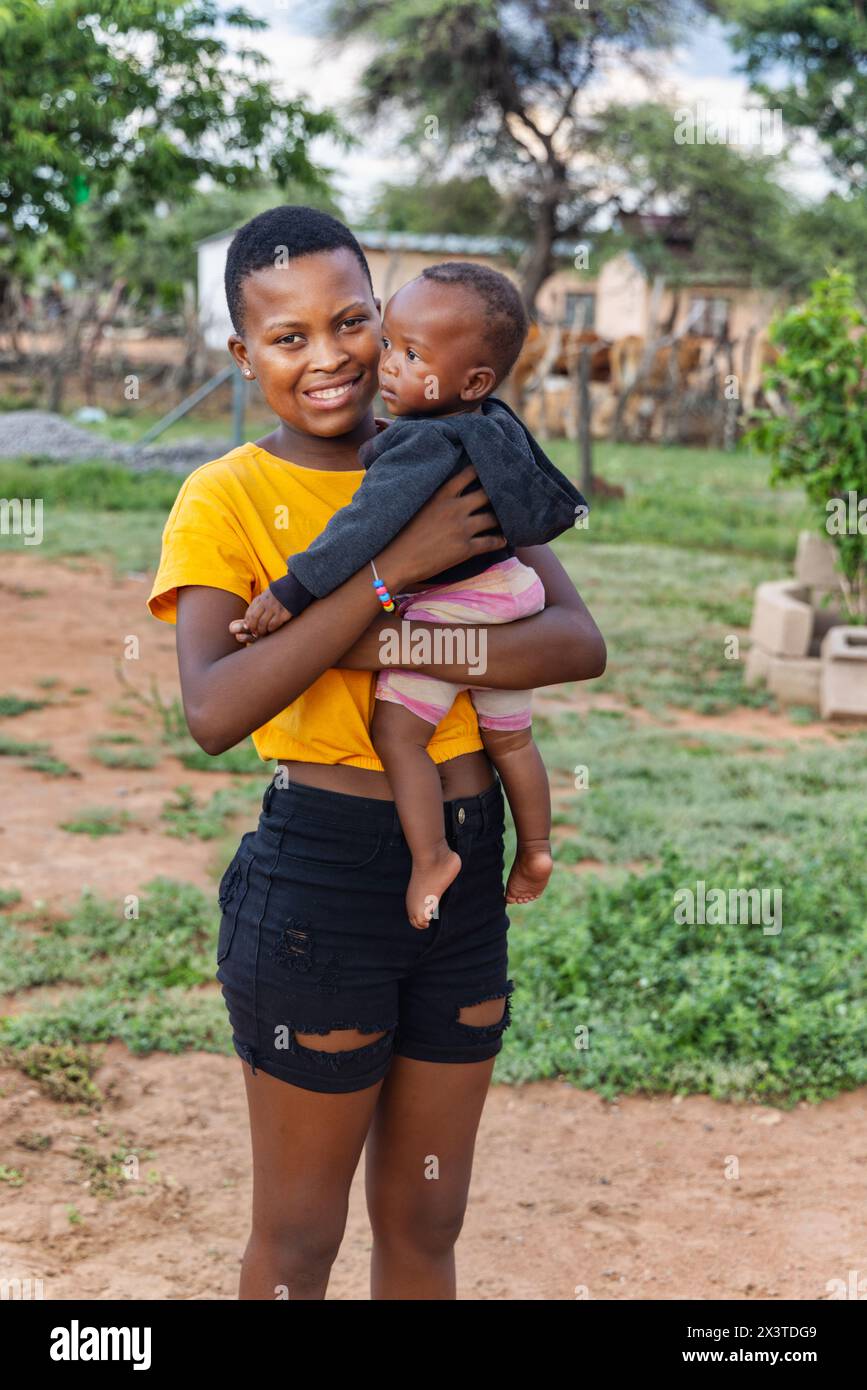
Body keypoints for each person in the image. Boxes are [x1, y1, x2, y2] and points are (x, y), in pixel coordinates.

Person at [147, 206, 606, 1301]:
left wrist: (369, 636)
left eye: (353, 321)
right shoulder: (227, 495)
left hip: (464, 856)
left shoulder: (461, 448)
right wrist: (399, 569)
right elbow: (216, 703)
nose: (332, 356)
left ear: (389, 315)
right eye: (287, 336)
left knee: (426, 1220)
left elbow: (574, 641)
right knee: (301, 1241)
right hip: (325, 879)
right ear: (241, 354)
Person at [236, 262, 589, 926]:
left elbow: (360, 529)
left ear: (472, 379)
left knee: (396, 735)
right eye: (391, 344)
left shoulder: (419, 444)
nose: (389, 365)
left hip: (455, 604)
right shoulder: (491, 422)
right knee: (512, 740)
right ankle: (537, 845)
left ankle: (431, 858)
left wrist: (293, 591)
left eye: (411, 354)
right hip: (511, 594)